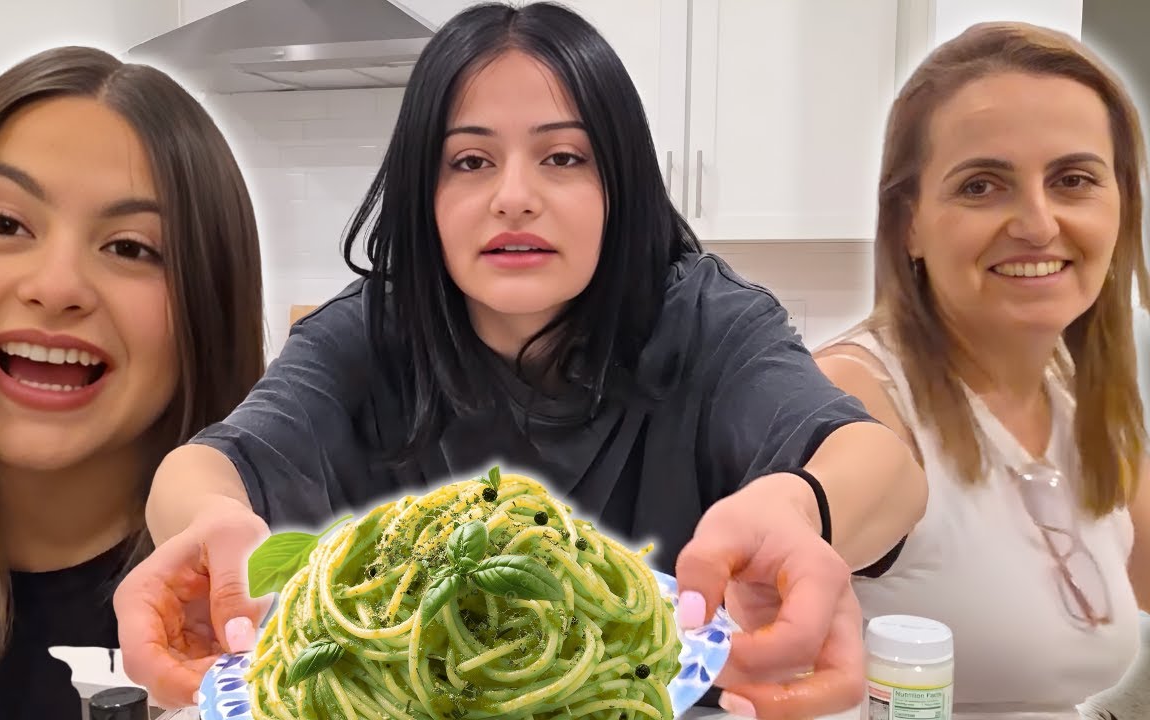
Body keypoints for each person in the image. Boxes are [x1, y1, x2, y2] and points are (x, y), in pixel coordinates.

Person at [114, 3, 928, 717]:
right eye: (470, 162)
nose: (513, 196)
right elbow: (208, 468)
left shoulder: (705, 320)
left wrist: (798, 510)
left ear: (622, 185)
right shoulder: (364, 337)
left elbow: (881, 468)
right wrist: (211, 527)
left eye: (563, 157)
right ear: (422, 195)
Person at [0, 47, 266, 720]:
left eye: (132, 248)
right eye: (3, 224)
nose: (56, 289)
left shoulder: (271, 615)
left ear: (209, 306)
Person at [814, 22, 1150, 719]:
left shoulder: (1089, 402)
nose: (1037, 222)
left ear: (1121, 205)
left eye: (1073, 180)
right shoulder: (849, 403)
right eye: (982, 185)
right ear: (909, 222)